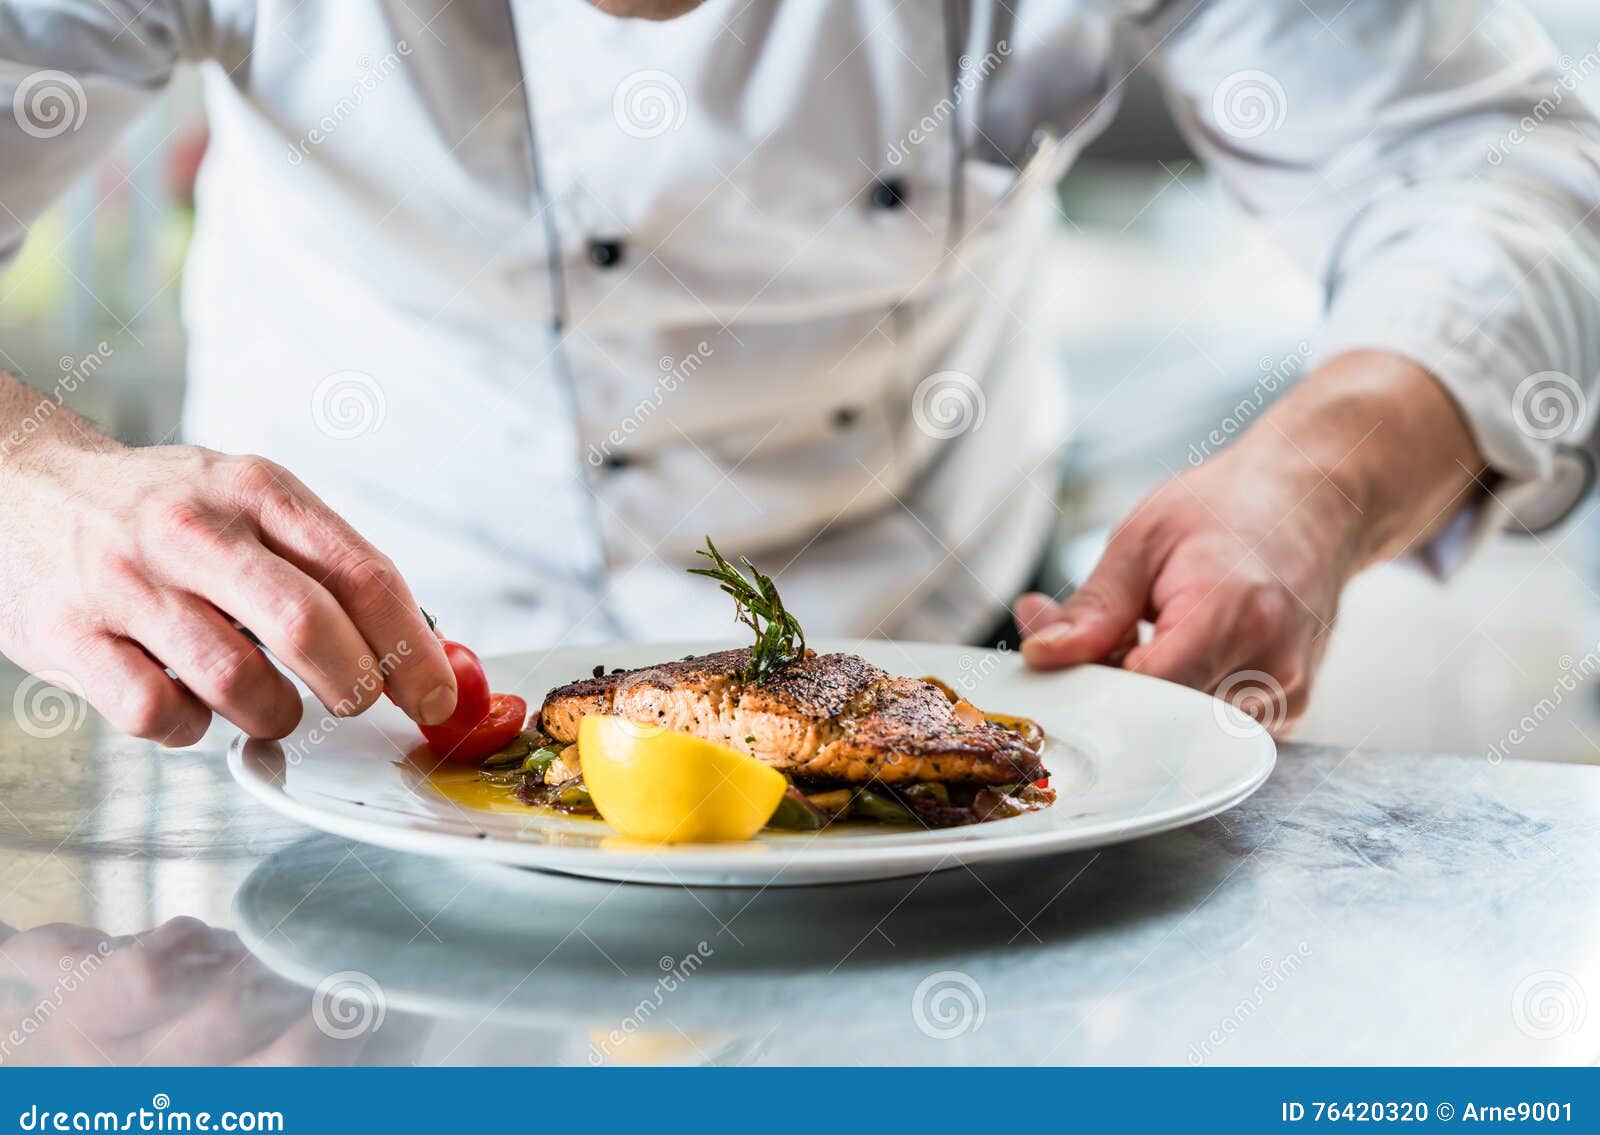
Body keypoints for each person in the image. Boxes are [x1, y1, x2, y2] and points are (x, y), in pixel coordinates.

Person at [1, 0, 1596, 745]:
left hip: (955, 696)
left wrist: (1316, 481)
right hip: (359, 722)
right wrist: (42, 488)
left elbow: (1494, 163)